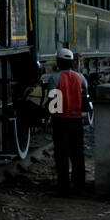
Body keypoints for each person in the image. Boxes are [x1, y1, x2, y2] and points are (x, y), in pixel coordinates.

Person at [42, 48, 90, 195]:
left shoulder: (54, 79)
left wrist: (48, 118)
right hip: (76, 121)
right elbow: (86, 100)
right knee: (77, 154)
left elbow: (52, 103)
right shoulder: (81, 78)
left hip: (61, 121)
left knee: (61, 154)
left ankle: (63, 186)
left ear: (58, 62)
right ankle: (79, 185)